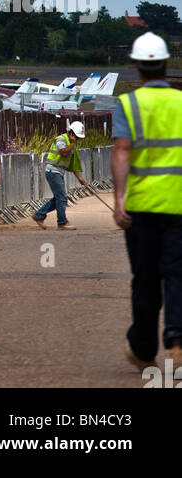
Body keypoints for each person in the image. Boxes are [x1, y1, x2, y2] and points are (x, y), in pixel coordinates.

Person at [112, 33, 182, 372]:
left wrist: (119, 197)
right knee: (178, 275)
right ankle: (178, 339)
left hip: (141, 206)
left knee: (146, 278)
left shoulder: (128, 104)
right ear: (167, 64)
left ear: (137, 66)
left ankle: (143, 348)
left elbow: (122, 149)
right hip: (179, 205)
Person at [32, 120, 88, 229]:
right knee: (61, 198)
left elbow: (73, 163)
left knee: (59, 198)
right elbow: (63, 152)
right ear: (71, 133)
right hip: (53, 171)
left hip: (58, 172)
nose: (77, 140)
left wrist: (79, 178)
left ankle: (39, 215)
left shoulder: (71, 144)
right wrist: (72, 143)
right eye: (76, 137)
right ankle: (62, 222)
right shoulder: (61, 140)